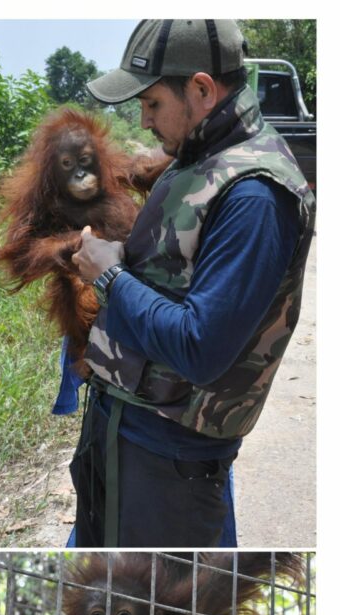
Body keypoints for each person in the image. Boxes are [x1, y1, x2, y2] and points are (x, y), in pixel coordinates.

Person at [67, 19, 314, 546]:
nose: (144, 120)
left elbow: (200, 348)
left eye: (152, 103)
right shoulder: (201, 152)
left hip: (169, 452)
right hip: (124, 423)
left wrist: (109, 275)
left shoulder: (255, 196)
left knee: (174, 586)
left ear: (201, 90)